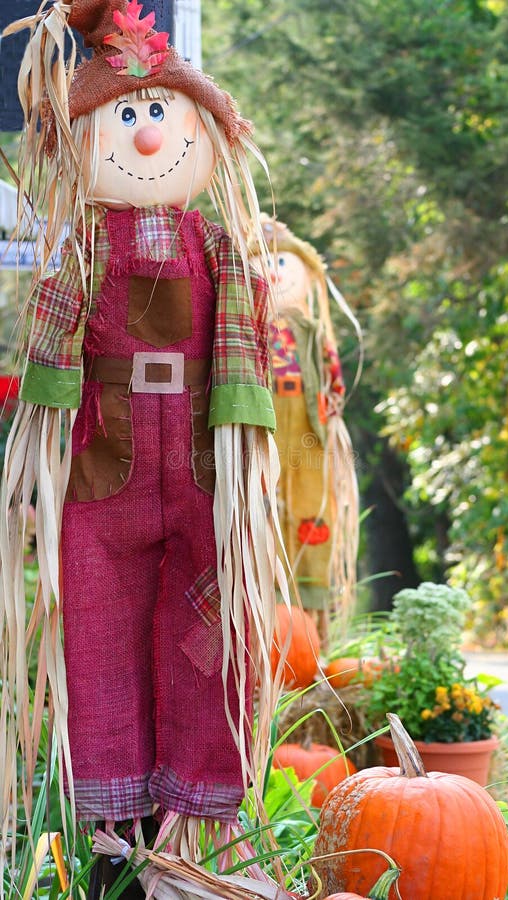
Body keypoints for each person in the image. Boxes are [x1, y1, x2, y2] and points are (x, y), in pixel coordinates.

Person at [0, 1, 287, 895]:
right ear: (85, 135)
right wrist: (33, 454)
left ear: (201, 132)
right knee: (96, 631)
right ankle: (115, 836)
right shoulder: (81, 246)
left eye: (162, 112)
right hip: (104, 464)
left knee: (212, 626)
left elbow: (248, 329)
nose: (149, 134)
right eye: (126, 117)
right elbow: (49, 350)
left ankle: (193, 833)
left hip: (207, 466)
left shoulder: (217, 242)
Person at [251, 216, 360, 647]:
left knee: (311, 508)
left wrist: (332, 403)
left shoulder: (314, 334)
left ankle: (311, 623)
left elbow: (334, 381)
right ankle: (264, 611)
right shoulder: (244, 330)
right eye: (266, 262)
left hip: (310, 436)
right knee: (263, 505)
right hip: (266, 430)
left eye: (283, 262)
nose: (275, 271)